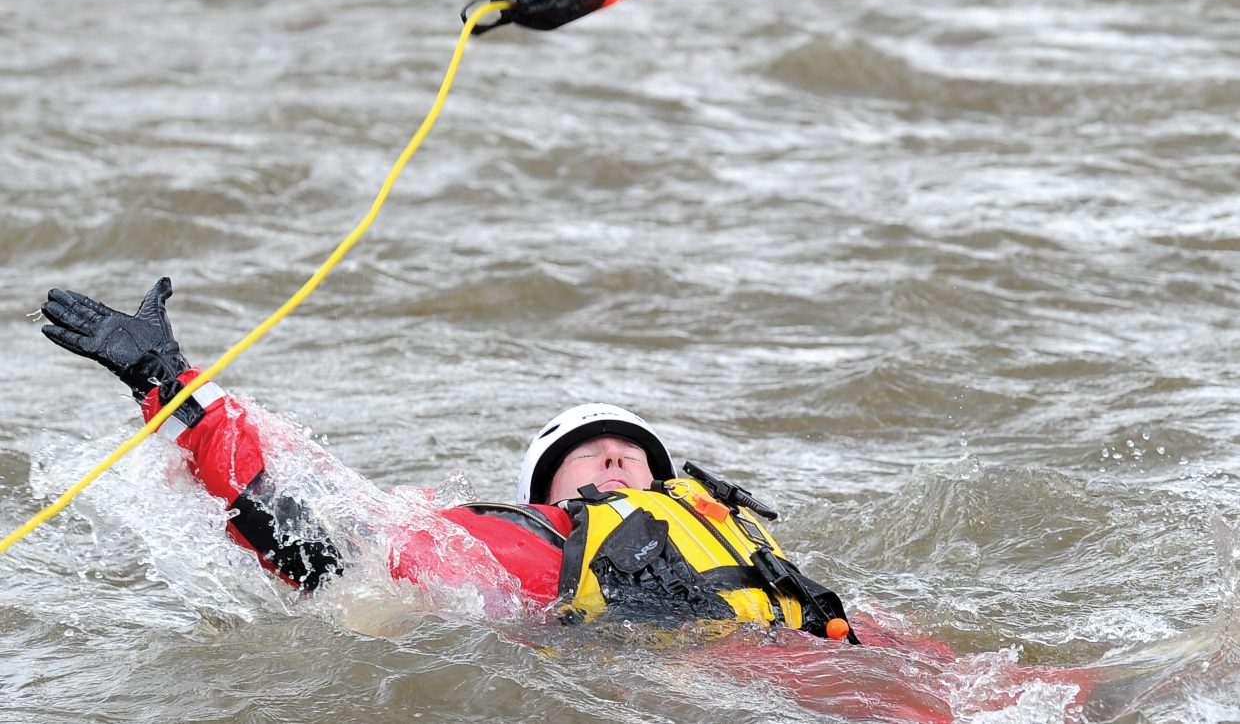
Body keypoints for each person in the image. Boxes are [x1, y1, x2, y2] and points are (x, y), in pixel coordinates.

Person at [40, 277, 862, 642]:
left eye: (631, 456)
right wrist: (168, 386)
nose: (614, 459)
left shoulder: (753, 549)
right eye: (588, 456)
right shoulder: (529, 545)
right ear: (547, 494)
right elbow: (327, 552)